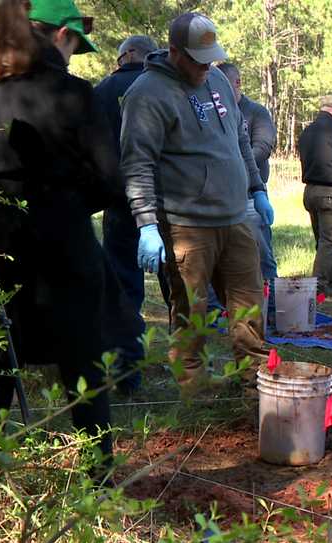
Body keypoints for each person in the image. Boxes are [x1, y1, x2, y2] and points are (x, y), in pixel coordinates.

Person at [0, 0, 122, 477]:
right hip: (65, 247)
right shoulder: (75, 93)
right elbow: (110, 182)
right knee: (83, 367)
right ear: (59, 36)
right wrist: (63, 207)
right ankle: (100, 479)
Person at [121, 12, 272, 394]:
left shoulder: (217, 78)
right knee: (192, 311)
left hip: (237, 217)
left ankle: (254, 384)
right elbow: (137, 162)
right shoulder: (147, 94)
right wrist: (147, 225)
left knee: (249, 305)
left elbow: (238, 137)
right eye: (197, 60)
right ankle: (195, 391)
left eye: (211, 59)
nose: (206, 67)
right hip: (187, 224)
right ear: (174, 52)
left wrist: (257, 188)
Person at [92, 34, 157, 394]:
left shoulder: (101, 91)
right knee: (184, 289)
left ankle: (126, 373)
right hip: (169, 202)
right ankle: (192, 366)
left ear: (124, 56)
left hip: (120, 203)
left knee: (123, 288)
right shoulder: (164, 85)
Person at [216, 62, 278, 287]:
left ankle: (271, 306)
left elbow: (262, 147)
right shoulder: (215, 112)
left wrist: (233, 166)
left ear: (237, 83)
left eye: (224, 85)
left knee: (261, 255)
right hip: (221, 197)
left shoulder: (256, 112)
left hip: (252, 196)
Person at [298, 94, 332, 296]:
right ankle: (317, 286)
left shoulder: (307, 131)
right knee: (331, 241)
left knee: (323, 240)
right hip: (330, 191)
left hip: (310, 191)